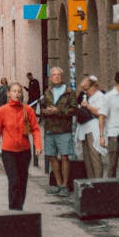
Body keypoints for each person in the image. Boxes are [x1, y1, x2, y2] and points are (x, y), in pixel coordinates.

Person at [0, 82, 43, 211]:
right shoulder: (2, 111)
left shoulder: (28, 110)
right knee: (14, 181)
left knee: (22, 182)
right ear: (9, 94)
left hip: (24, 152)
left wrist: (38, 145)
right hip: (8, 152)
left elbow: (35, 129)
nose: (17, 94)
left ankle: (19, 208)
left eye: (19, 91)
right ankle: (13, 210)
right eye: (14, 91)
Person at [39, 66, 79, 196]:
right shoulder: (47, 91)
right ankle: (58, 183)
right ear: (50, 77)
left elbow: (74, 110)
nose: (56, 77)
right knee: (51, 156)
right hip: (50, 129)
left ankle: (65, 185)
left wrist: (59, 111)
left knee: (64, 156)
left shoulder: (69, 92)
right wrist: (45, 111)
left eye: (58, 75)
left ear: (61, 77)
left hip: (63, 129)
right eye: (53, 75)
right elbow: (43, 107)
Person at [75, 75, 105, 179]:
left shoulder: (100, 96)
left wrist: (87, 106)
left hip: (94, 129)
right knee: (87, 159)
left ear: (94, 86)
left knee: (95, 157)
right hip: (84, 129)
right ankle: (91, 181)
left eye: (86, 89)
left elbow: (100, 112)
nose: (85, 92)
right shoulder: (87, 96)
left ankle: (98, 182)